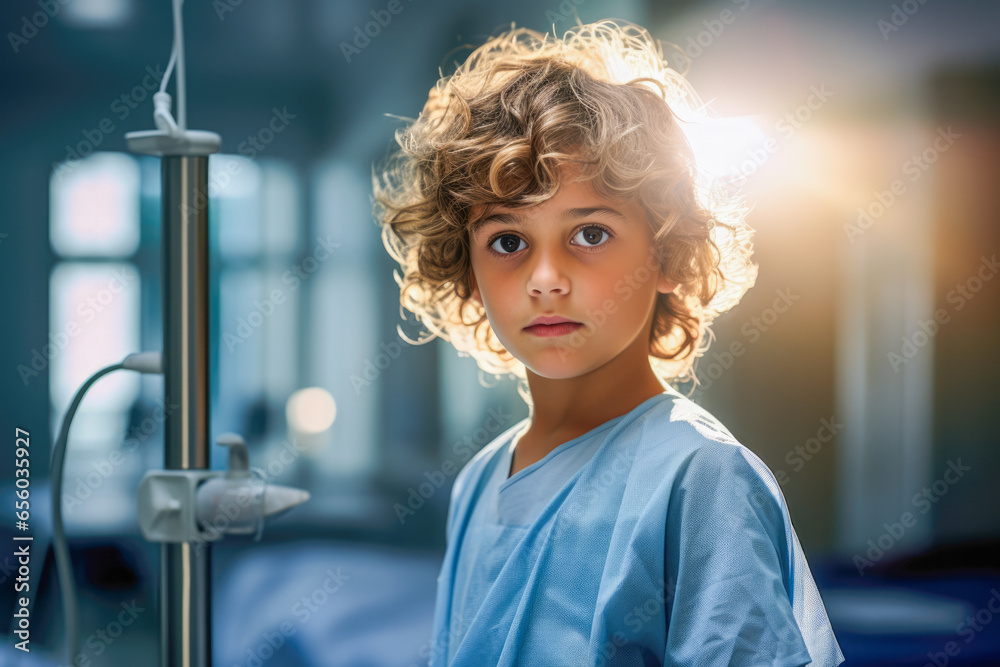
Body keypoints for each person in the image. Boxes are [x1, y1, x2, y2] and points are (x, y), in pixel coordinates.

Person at [372, 18, 845, 667]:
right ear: (468, 273)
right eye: (508, 241)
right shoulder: (479, 481)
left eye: (590, 234)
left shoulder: (699, 478)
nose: (545, 278)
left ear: (669, 255)